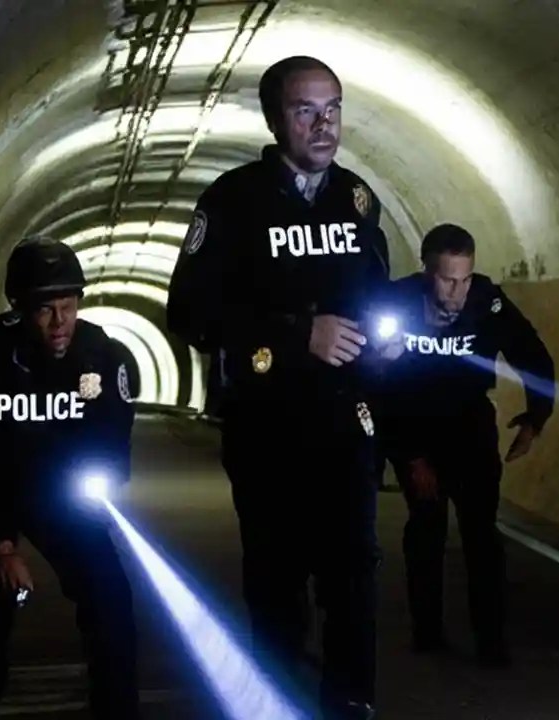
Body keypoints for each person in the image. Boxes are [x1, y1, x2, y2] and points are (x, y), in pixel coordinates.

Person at [166, 55, 394, 720]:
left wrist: (387, 341)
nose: (325, 126)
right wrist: (299, 335)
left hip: (345, 419)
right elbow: (190, 314)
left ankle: (352, 701)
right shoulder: (233, 202)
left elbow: (375, 292)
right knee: (277, 580)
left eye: (333, 109)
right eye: (306, 110)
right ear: (274, 118)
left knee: (354, 572)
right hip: (268, 423)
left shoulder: (358, 199)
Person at [0, 237, 141, 719]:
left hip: (63, 494)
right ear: (18, 308)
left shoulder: (100, 356)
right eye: (44, 310)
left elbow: (114, 438)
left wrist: (97, 493)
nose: (58, 323)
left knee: (110, 599)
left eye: (67, 307)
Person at [374, 223, 555, 666]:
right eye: (445, 279)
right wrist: (411, 456)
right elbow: (376, 388)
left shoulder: (486, 303)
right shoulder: (394, 306)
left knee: (482, 536)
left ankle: (491, 639)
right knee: (426, 527)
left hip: (468, 426)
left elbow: (532, 354)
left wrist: (536, 418)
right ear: (426, 271)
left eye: (463, 279)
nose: (455, 292)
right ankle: (428, 631)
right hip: (413, 424)